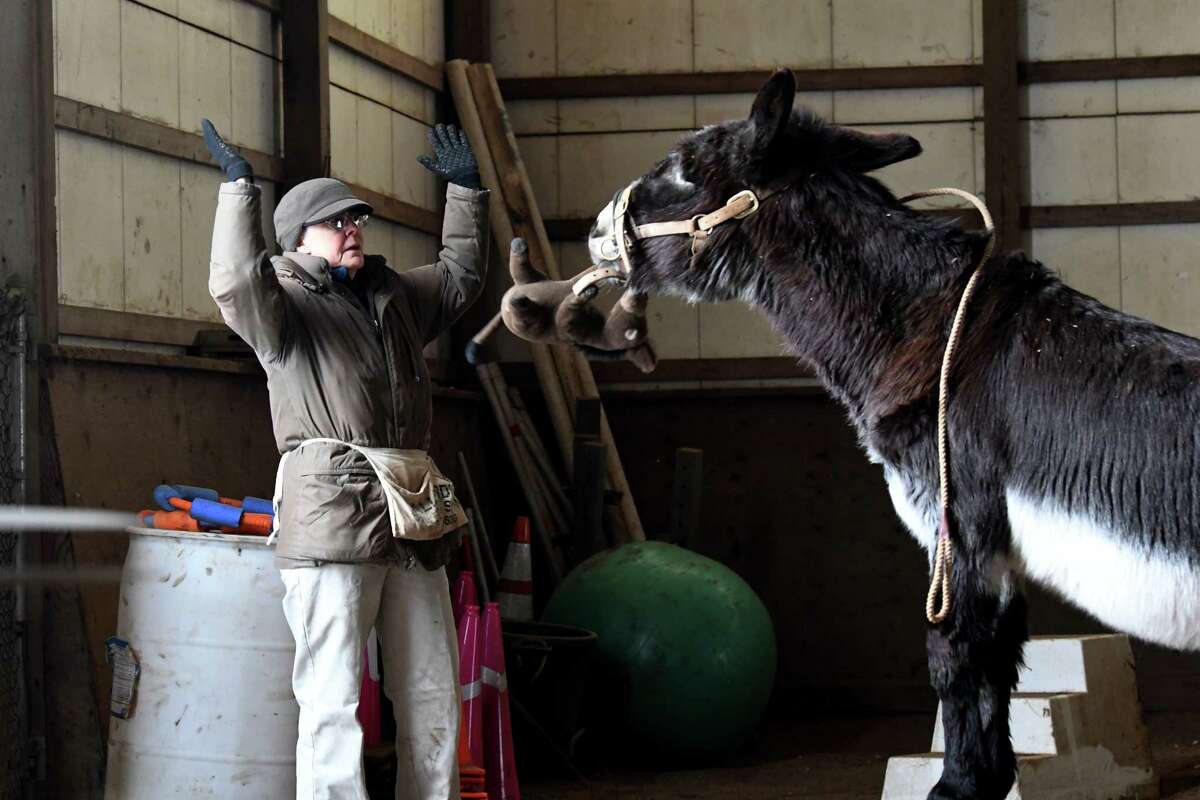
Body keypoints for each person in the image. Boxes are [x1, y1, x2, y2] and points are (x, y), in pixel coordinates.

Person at [203, 118, 489, 799]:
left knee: (430, 689)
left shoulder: (395, 296)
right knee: (332, 702)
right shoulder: (282, 307)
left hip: (410, 513)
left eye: (355, 219)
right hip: (332, 514)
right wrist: (238, 194)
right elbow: (235, 285)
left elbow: (460, 277)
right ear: (299, 239)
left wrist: (466, 192)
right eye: (334, 223)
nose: (352, 229)